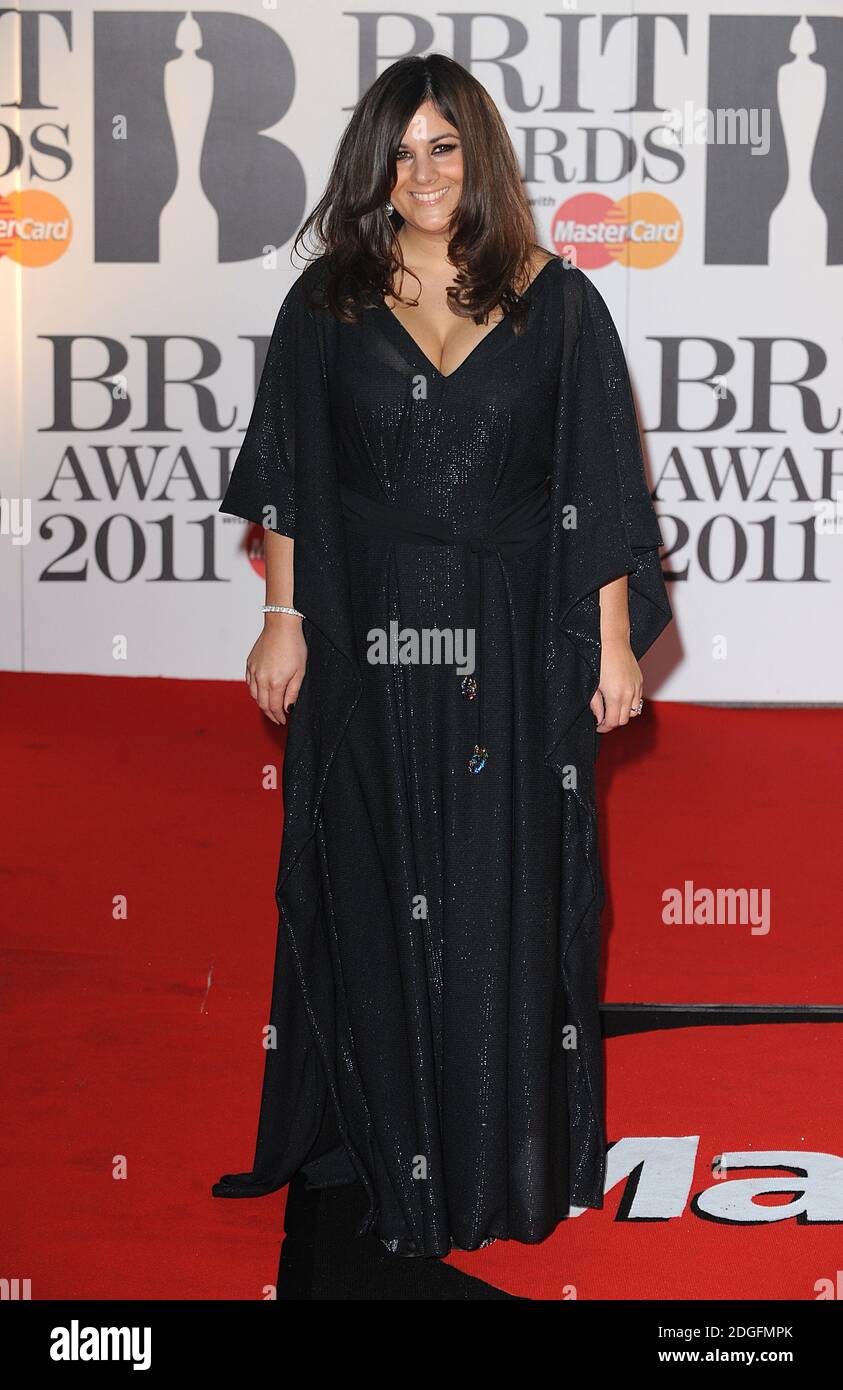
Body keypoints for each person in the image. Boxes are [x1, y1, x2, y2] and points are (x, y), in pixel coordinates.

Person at [212, 53, 672, 1261]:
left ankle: (499, 1154)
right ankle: (391, 1142)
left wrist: (613, 641)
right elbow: (299, 481)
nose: (423, 173)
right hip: (371, 639)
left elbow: (599, 487)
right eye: (401, 151)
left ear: (481, 156)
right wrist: (283, 618)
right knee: (378, 876)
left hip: (516, 644)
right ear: (376, 166)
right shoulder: (329, 304)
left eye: (445, 147)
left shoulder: (558, 301)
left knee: (501, 889)